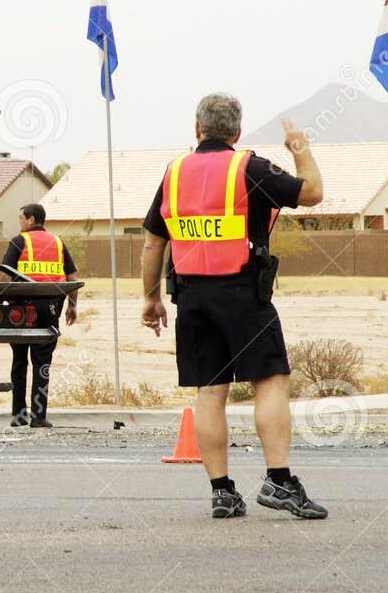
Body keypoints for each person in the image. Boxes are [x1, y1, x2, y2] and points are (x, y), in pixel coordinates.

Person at [139, 94, 327, 520]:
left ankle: (221, 492)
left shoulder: (174, 172)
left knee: (210, 390)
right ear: (238, 132)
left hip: (191, 297)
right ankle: (279, 481)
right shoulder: (250, 168)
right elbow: (312, 193)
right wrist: (300, 148)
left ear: (196, 128)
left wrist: (150, 297)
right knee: (271, 380)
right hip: (244, 293)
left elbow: (154, 242)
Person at [0, 204, 78, 428]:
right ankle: (39, 416)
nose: (19, 222)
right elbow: (72, 276)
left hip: (22, 309)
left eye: (21, 218)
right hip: (51, 309)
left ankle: (18, 415)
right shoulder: (58, 242)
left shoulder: (19, 241)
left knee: (19, 362)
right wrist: (73, 306)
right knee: (42, 364)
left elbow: (4, 275)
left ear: (31, 219)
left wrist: (0, 299)